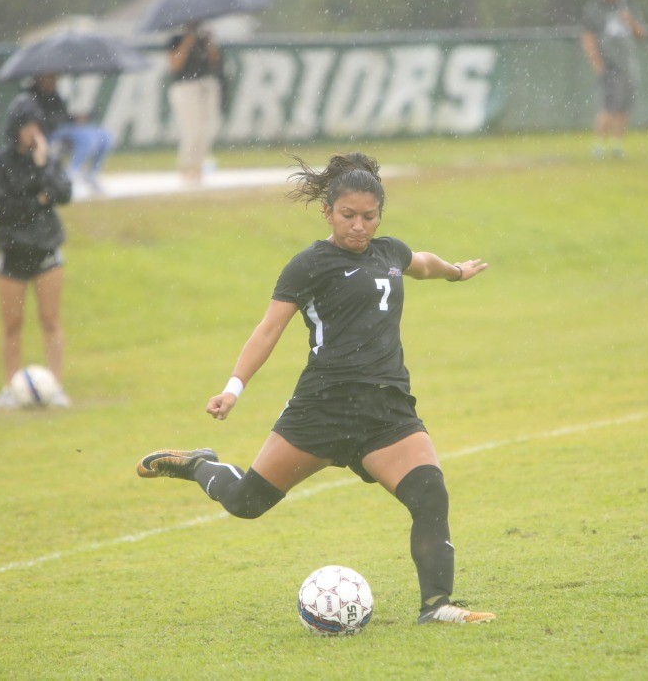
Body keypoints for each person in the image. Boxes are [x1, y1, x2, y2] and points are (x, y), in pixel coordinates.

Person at [137, 152, 495, 625]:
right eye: (348, 216)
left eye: (369, 217)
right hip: (322, 409)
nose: (358, 227)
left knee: (430, 493)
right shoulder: (309, 264)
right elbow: (268, 330)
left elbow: (423, 263)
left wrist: (455, 272)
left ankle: (438, 606)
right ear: (328, 212)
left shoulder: (390, 253)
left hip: (387, 411)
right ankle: (201, 465)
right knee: (247, 503)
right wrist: (233, 389)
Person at [0, 94, 73, 408]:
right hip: (12, 253)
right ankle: (9, 387)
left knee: (50, 320)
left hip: (46, 249)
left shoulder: (46, 158)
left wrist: (43, 166)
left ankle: (56, 386)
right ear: (15, 127)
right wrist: (37, 200)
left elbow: (63, 193)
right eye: (27, 125)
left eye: (37, 124)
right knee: (12, 324)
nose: (33, 132)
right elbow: (1, 207)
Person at [581, 0, 645, 159]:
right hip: (609, 66)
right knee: (608, 107)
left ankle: (617, 145)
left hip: (628, 66)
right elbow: (588, 38)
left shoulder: (627, 5)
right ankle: (599, 145)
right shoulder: (594, 9)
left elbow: (641, 34)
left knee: (624, 106)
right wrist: (597, 64)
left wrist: (629, 20)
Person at [27, 74, 112, 193]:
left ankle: (92, 174)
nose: (53, 81)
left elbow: (63, 115)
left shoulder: (54, 95)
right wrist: (64, 120)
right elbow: (43, 120)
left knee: (104, 136)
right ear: (40, 79)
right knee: (85, 137)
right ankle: (72, 172)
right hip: (50, 133)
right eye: (50, 78)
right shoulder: (31, 97)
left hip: (65, 128)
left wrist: (75, 118)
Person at [167, 24, 224, 184]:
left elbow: (215, 60)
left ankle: (198, 167)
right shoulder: (176, 39)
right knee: (192, 130)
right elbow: (175, 64)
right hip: (186, 86)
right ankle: (186, 167)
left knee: (208, 129)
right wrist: (188, 40)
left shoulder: (205, 39)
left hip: (206, 85)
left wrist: (209, 41)